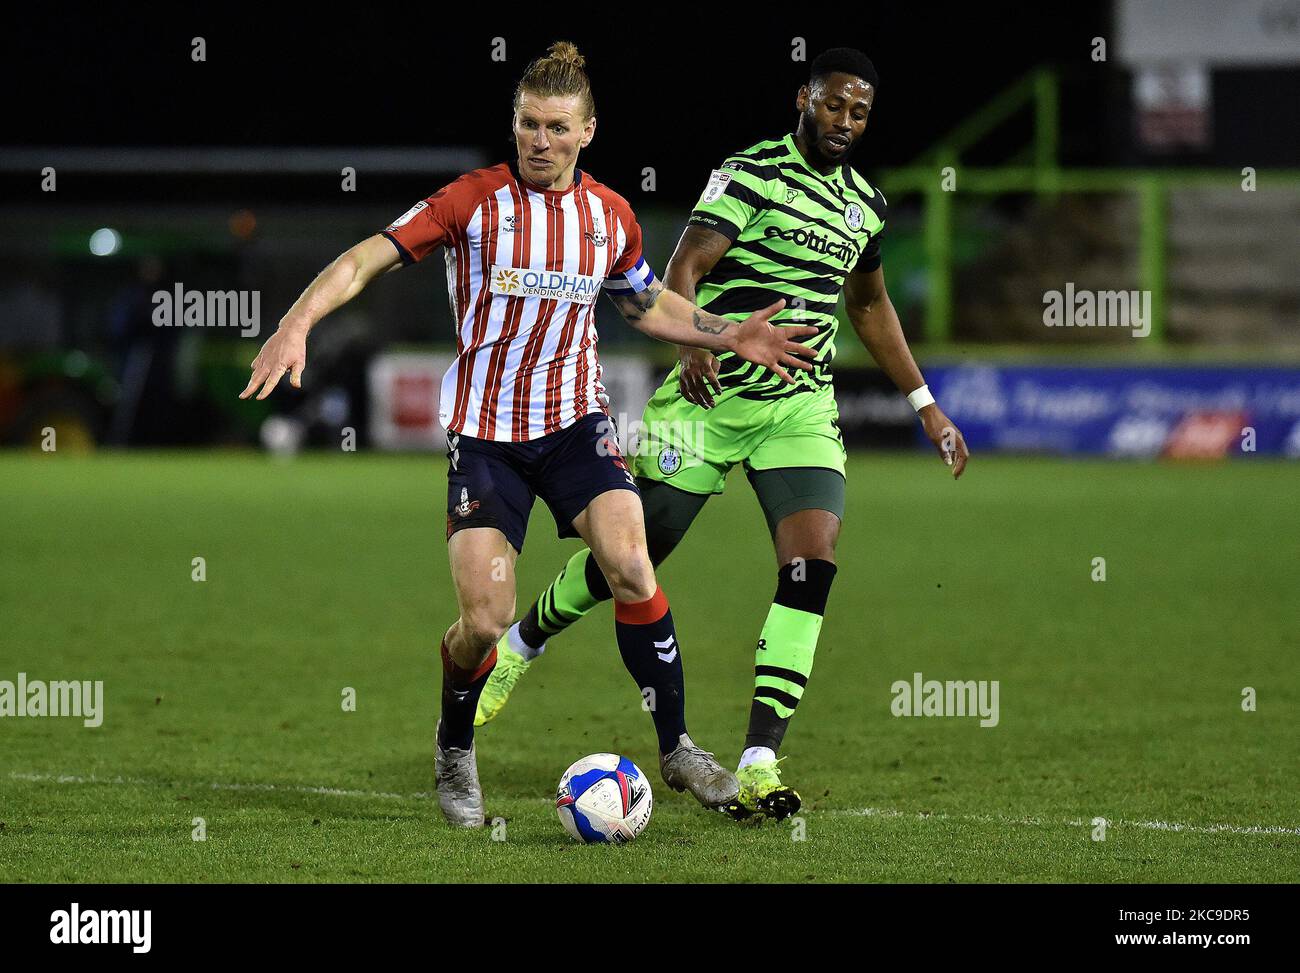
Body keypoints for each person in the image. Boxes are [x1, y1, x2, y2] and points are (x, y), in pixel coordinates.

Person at [239, 41, 818, 827]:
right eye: (526, 125)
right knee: (484, 619)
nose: (538, 141)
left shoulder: (608, 216)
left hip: (576, 425)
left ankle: (678, 748)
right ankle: (453, 744)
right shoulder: (472, 201)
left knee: (631, 561)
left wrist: (724, 333)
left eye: (554, 127)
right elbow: (364, 259)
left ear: (587, 131)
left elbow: (645, 305)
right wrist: (297, 322)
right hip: (485, 436)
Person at [473, 47, 970, 820]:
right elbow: (685, 266)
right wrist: (690, 345)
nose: (844, 122)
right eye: (833, 104)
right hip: (709, 398)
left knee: (812, 563)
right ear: (803, 98)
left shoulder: (865, 205)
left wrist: (925, 402)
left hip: (798, 411)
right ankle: (522, 643)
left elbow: (869, 308)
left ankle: (760, 760)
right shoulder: (752, 173)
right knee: (635, 553)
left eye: (859, 112)